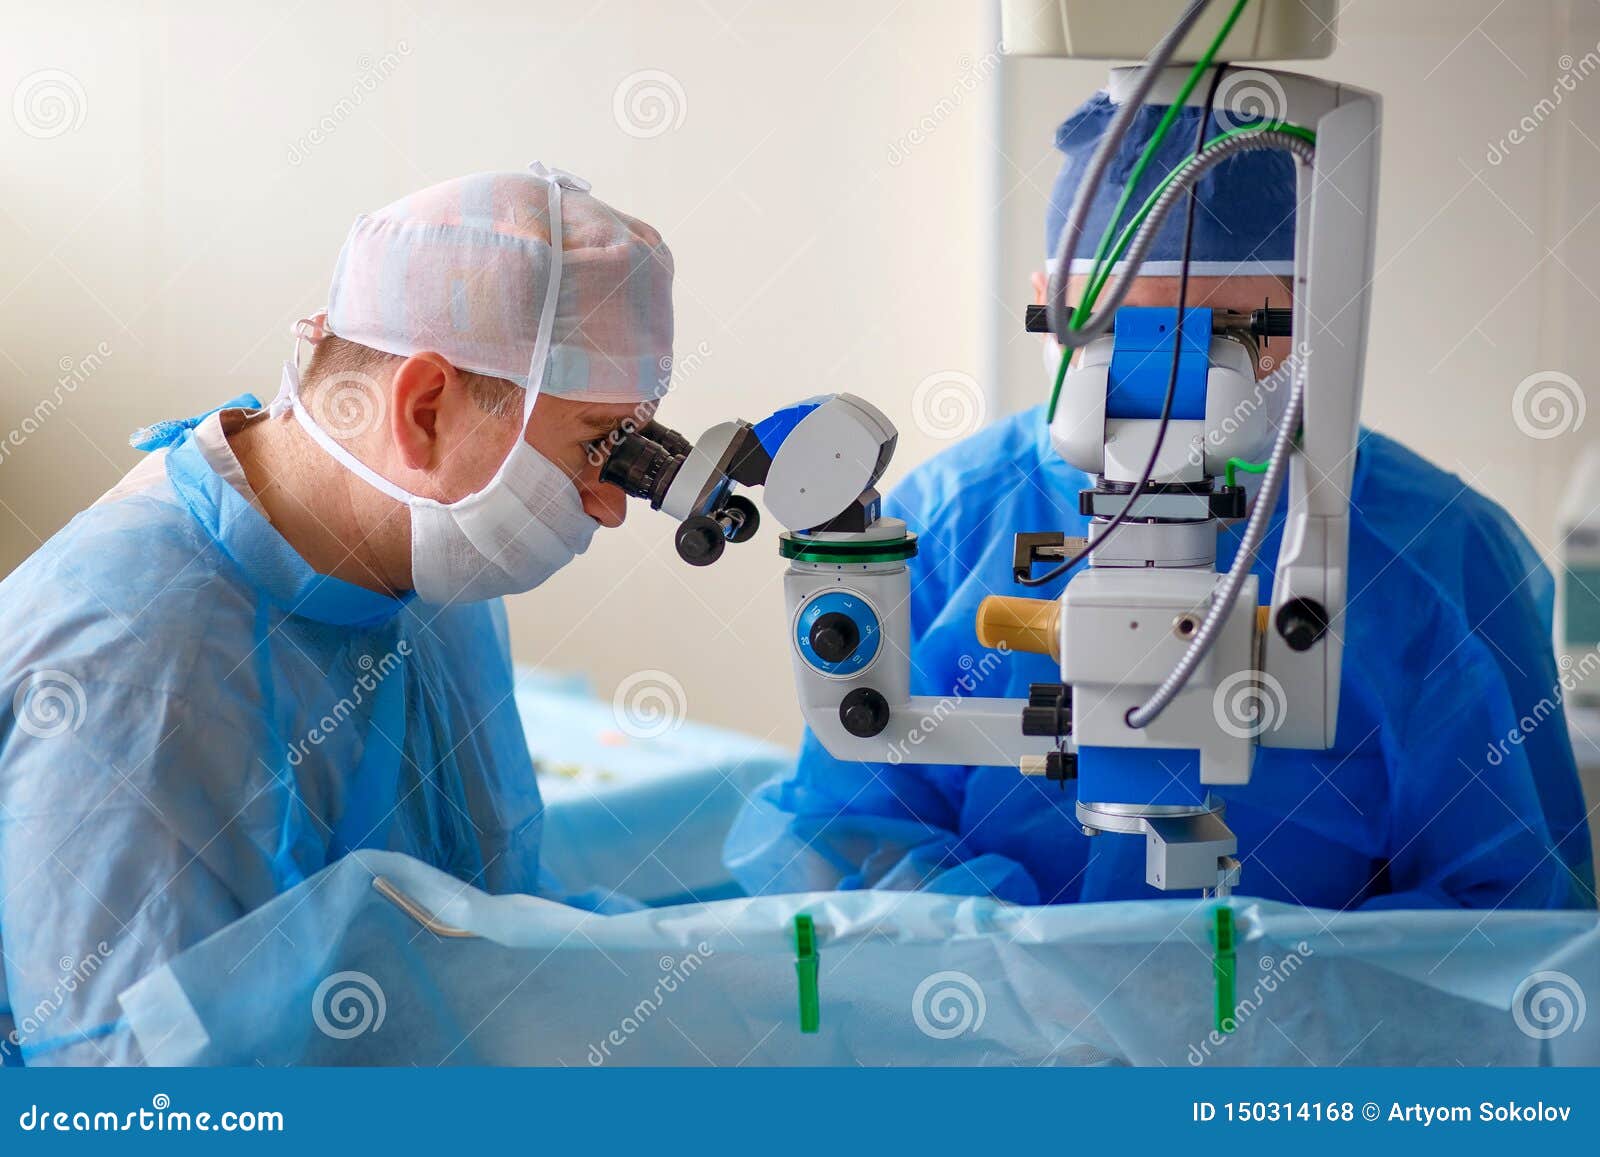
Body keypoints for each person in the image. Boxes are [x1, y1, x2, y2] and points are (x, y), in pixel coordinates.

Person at [726, 88, 1596, 914]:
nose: (1155, 384)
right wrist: (1032, 985)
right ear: (1045, 305)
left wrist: (1272, 1003)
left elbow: (1509, 916)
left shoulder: (1443, 557)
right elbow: (849, 836)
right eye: (1103, 332)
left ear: (1310, 321)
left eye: (1217, 337)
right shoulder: (951, 522)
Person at [0, 164, 674, 1065]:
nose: (610, 504)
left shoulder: (421, 572)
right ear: (423, 407)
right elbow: (124, 1098)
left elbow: (482, 936)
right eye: (598, 445)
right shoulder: (135, 664)